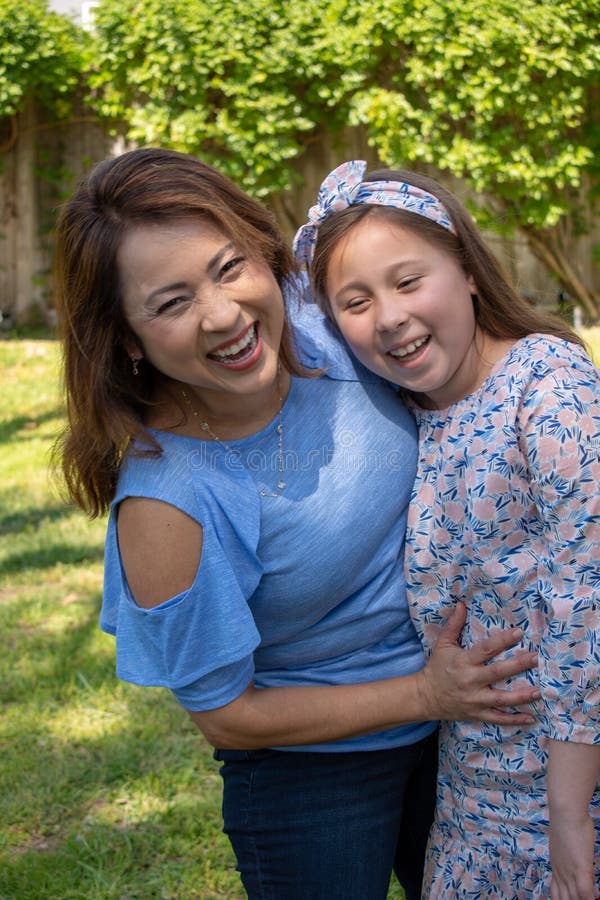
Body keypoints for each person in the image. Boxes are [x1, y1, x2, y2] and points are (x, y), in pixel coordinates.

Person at [53, 147, 540, 900]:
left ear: (263, 252)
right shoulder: (168, 506)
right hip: (315, 775)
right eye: (172, 303)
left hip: (469, 726)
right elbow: (228, 716)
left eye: (228, 268)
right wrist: (425, 694)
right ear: (126, 336)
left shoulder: (330, 321)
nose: (223, 315)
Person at [294, 159, 600, 899]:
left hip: (570, 800)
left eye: (407, 281)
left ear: (465, 267)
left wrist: (569, 821)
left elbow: (583, 608)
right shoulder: (406, 419)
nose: (389, 316)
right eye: (355, 301)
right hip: (471, 810)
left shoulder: (548, 383)